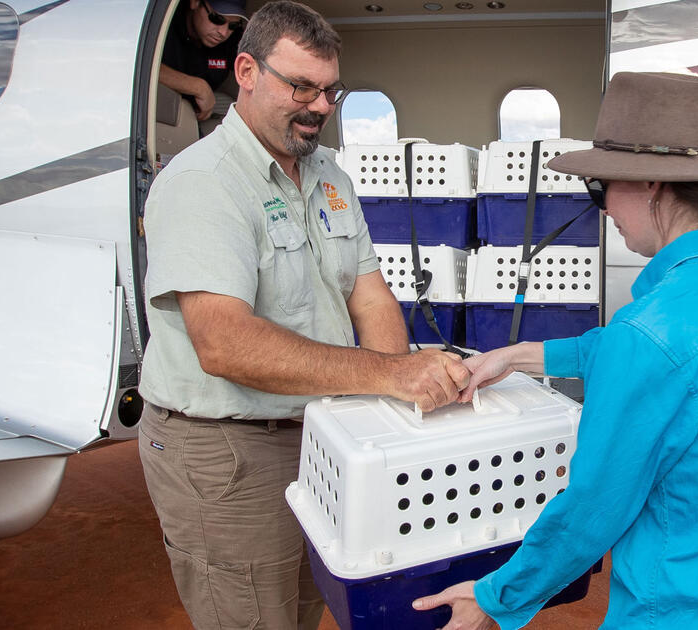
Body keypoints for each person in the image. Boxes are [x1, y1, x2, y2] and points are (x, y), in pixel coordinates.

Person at [413, 72, 698, 628]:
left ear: (652, 184)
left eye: (601, 186)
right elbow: (672, 361)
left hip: (682, 612)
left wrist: (495, 598)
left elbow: (592, 510)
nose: (603, 207)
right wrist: (515, 356)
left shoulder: (651, 333)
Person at [138, 2, 470, 629]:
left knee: (310, 600)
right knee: (254, 616)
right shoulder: (203, 182)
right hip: (229, 449)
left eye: (330, 91)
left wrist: (392, 400)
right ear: (246, 72)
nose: (320, 106)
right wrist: (391, 375)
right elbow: (224, 343)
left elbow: (369, 296)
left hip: (320, 435)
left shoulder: (329, 173)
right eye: (301, 87)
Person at [159, 0, 247, 128]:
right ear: (195, 2)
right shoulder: (162, 28)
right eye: (217, 19)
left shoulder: (234, 40)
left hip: (204, 114)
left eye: (233, 25)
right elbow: (142, 69)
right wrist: (197, 87)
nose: (223, 32)